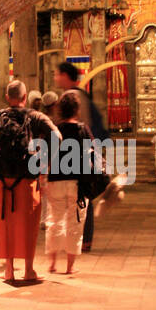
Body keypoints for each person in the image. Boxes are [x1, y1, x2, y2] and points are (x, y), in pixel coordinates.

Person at [0, 79, 60, 284]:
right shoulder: (36, 117)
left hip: (3, 181)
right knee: (29, 224)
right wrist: (44, 162)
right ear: (25, 97)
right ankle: (28, 269)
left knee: (5, 224)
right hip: (28, 181)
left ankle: (9, 270)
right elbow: (57, 136)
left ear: (7, 97)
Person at [55, 61, 107, 251]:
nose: (55, 78)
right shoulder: (80, 94)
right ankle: (81, 238)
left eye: (57, 74)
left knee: (82, 195)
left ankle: (82, 238)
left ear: (65, 76)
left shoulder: (73, 96)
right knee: (80, 195)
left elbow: (81, 127)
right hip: (79, 153)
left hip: (76, 154)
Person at [43, 90, 90, 275]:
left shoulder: (54, 130)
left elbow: (46, 156)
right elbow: (90, 155)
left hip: (55, 180)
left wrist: (43, 178)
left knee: (54, 221)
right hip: (77, 183)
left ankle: (52, 263)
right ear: (77, 109)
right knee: (75, 222)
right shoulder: (82, 129)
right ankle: (70, 266)